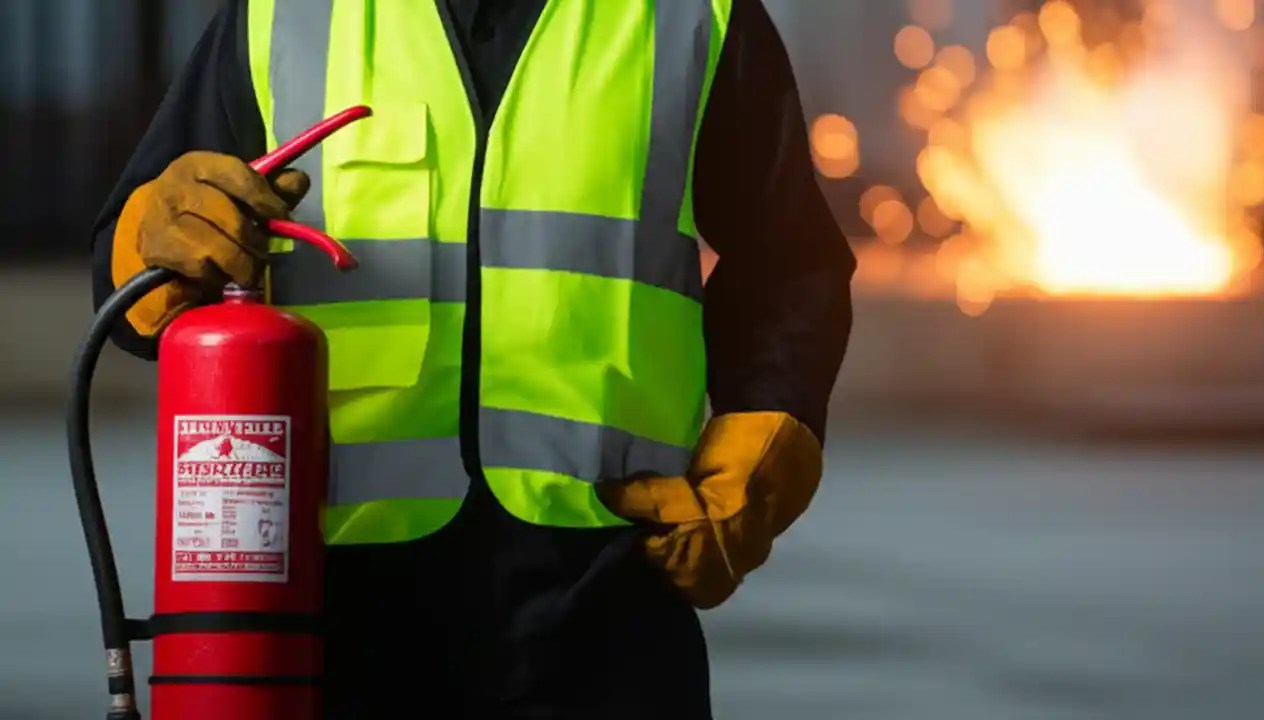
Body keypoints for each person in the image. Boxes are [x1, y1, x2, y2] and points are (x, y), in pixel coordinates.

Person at [90, 1, 855, 717]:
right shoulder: (286, 13)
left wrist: (761, 445)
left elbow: (791, 265)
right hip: (335, 613)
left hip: (604, 603)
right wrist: (156, 240)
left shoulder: (691, 14)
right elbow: (124, 294)